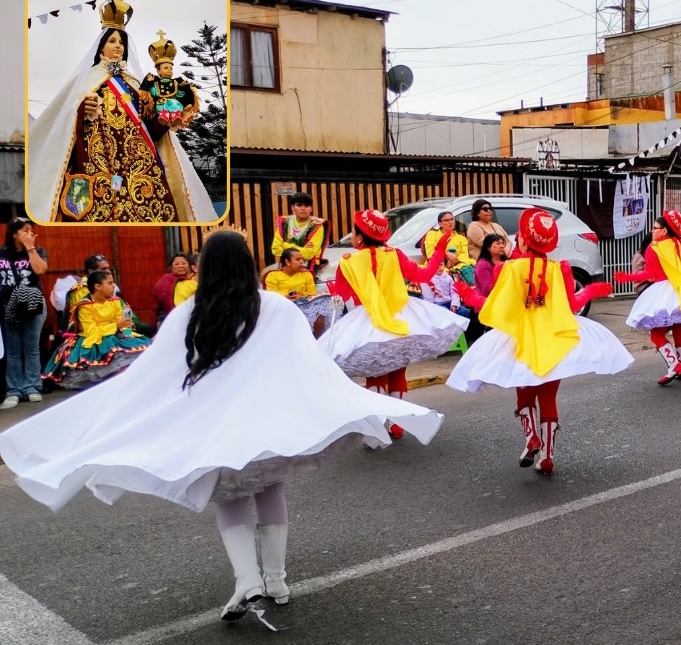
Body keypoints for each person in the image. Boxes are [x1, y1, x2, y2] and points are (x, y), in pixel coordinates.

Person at [0, 231, 445, 622]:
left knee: (228, 498)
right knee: (270, 492)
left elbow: (151, 376)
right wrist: (345, 403)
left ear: (204, 269)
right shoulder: (276, 308)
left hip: (219, 428)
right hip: (272, 424)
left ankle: (248, 582)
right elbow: (308, 366)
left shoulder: (188, 315)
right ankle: (278, 582)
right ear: (249, 266)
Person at [448, 208, 631, 475]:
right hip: (554, 339)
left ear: (523, 239)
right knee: (548, 397)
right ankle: (547, 456)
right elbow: (571, 305)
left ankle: (532, 437)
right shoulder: (560, 269)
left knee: (525, 395)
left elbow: (493, 308)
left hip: (520, 340)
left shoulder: (508, 270)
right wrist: (591, 289)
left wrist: (467, 294)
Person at [26, 0, 216, 223]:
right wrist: (81, 111)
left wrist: (169, 117)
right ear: (101, 46)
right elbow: (64, 126)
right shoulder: (85, 82)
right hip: (98, 164)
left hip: (138, 166)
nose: (118, 47)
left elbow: (151, 128)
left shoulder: (134, 84)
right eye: (112, 41)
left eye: (121, 43)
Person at [320, 210, 468, 408]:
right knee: (398, 370)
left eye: (354, 234)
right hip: (403, 316)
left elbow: (341, 295)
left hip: (369, 321)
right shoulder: (394, 255)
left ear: (361, 237)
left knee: (375, 374)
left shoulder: (348, 262)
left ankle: (379, 421)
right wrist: (439, 251)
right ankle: (397, 422)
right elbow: (423, 276)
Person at [614, 211, 681, 385]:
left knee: (656, 335)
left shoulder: (655, 249)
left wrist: (628, 277)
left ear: (664, 231)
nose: (652, 231)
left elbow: (651, 274)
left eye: (655, 228)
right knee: (678, 331)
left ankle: (675, 365)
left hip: (664, 295)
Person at [42, 270, 150, 390]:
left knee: (140, 346)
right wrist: (116, 326)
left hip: (115, 334)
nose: (113, 286)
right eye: (110, 283)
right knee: (112, 350)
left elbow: (123, 322)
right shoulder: (85, 306)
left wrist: (126, 330)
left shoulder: (115, 301)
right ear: (98, 286)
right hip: (93, 339)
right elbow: (91, 331)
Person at [0, 218, 47, 408]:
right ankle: (14, 391)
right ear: (13, 234)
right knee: (12, 350)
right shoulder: (2, 254)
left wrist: (30, 247)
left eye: (31, 230)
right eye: (24, 230)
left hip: (32, 305)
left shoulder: (38, 250)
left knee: (31, 348)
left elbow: (40, 270)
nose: (29, 234)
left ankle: (33, 387)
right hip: (7, 305)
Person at [264, 247, 334, 337]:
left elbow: (312, 293)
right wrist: (286, 296)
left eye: (302, 259)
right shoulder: (273, 275)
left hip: (304, 305)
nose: (302, 262)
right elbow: (271, 294)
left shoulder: (306, 274)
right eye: (298, 259)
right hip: (282, 306)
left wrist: (300, 296)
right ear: (287, 262)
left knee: (320, 317)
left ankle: (316, 344)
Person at [270, 193, 329, 275]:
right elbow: (275, 249)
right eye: (299, 205)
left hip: (306, 270)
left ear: (311, 209)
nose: (303, 208)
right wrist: (301, 249)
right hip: (285, 270)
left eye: (307, 206)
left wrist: (285, 245)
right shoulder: (284, 222)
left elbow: (308, 254)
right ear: (292, 207)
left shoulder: (317, 225)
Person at [421, 211, 477, 285]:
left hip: (458, 265)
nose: (450, 222)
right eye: (447, 220)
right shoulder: (432, 234)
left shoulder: (461, 237)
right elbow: (430, 254)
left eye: (452, 219)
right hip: (438, 265)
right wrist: (446, 257)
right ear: (440, 223)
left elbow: (465, 256)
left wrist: (455, 259)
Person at [154, 253, 195, 327]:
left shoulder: (194, 280)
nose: (180, 266)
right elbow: (168, 304)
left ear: (190, 266)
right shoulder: (166, 280)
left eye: (184, 263)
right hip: (168, 319)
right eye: (176, 264)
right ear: (171, 268)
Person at [474, 233, 508, 297]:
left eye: (502, 243)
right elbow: (488, 290)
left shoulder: (506, 261)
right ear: (488, 247)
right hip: (487, 301)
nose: (502, 246)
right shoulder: (483, 264)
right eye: (498, 243)